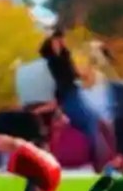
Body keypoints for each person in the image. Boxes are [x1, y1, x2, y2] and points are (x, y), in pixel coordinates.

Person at [40, 29, 106, 173]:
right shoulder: (51, 61)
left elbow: (73, 73)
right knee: (89, 121)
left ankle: (97, 159)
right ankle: (96, 160)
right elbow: (61, 78)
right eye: (57, 40)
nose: (60, 43)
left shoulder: (64, 56)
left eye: (61, 40)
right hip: (67, 96)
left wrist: (83, 73)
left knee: (93, 120)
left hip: (72, 93)